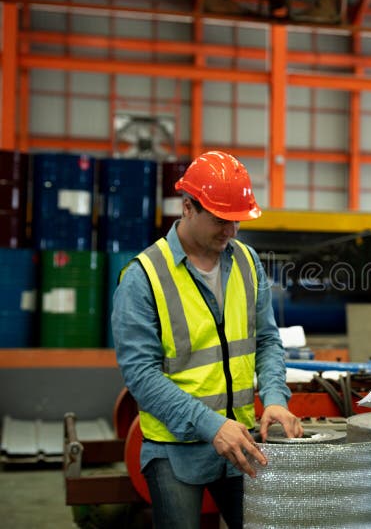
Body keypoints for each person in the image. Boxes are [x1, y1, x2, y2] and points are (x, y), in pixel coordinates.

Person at [112, 150, 303, 529]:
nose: (231, 232)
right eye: (220, 220)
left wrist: (275, 399)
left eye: (236, 221)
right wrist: (211, 425)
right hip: (174, 449)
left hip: (242, 442)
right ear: (187, 207)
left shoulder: (247, 262)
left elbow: (267, 340)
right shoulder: (142, 277)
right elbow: (141, 376)